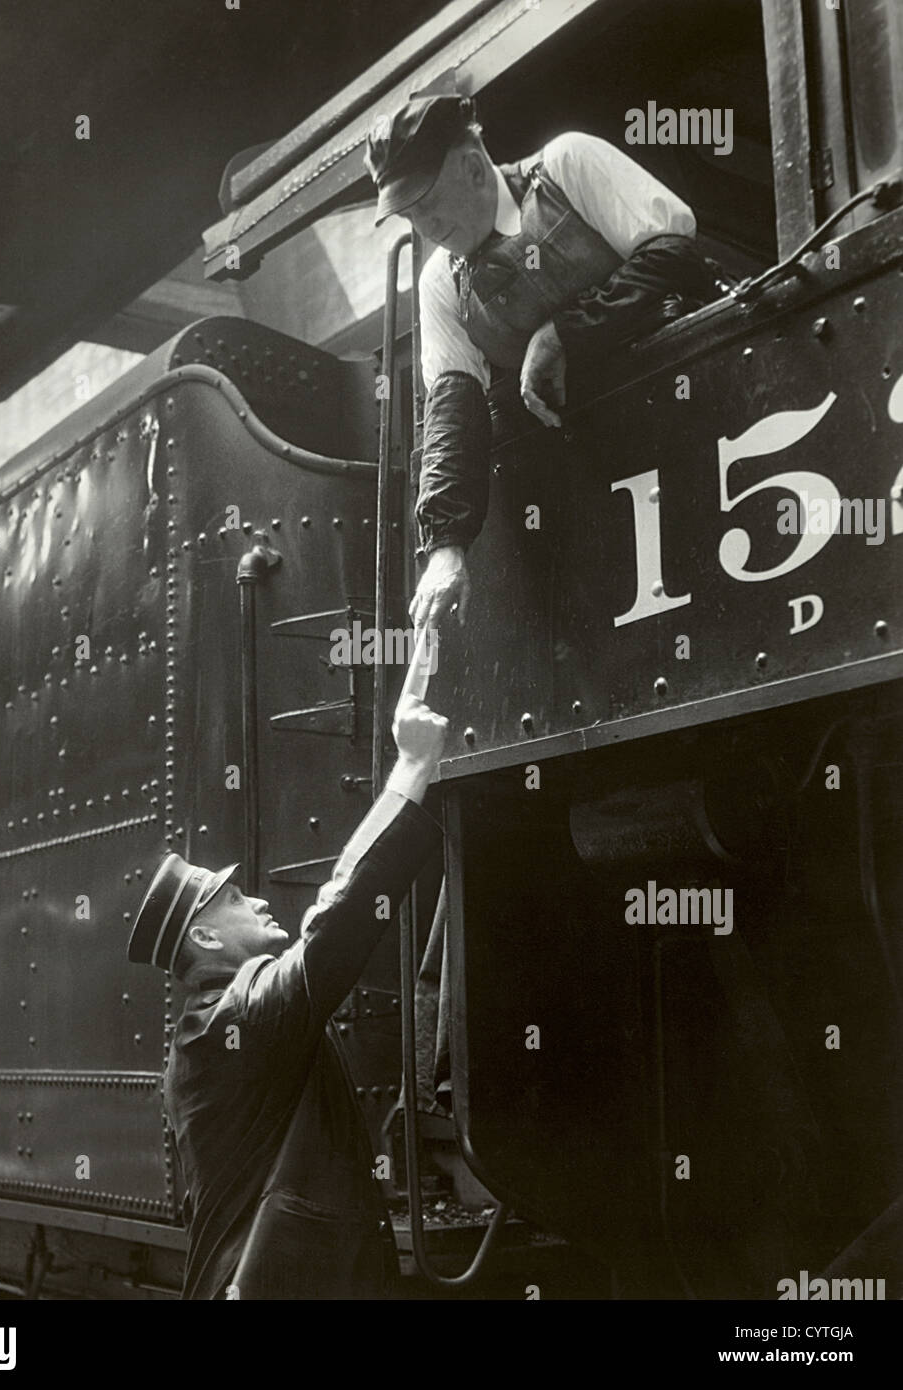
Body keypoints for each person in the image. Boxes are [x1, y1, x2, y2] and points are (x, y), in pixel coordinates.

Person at [126, 693, 447, 1298]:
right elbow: (336, 927)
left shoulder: (206, 1029)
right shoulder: (233, 1021)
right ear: (204, 935)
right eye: (237, 900)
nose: (260, 901)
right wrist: (411, 767)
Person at [364, 95, 724, 631]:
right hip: (605, 478)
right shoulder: (440, 282)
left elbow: (675, 256)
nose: (424, 225)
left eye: (426, 200)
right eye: (409, 213)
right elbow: (451, 414)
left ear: (471, 165)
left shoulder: (567, 164)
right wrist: (445, 547)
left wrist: (561, 335)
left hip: (705, 425)